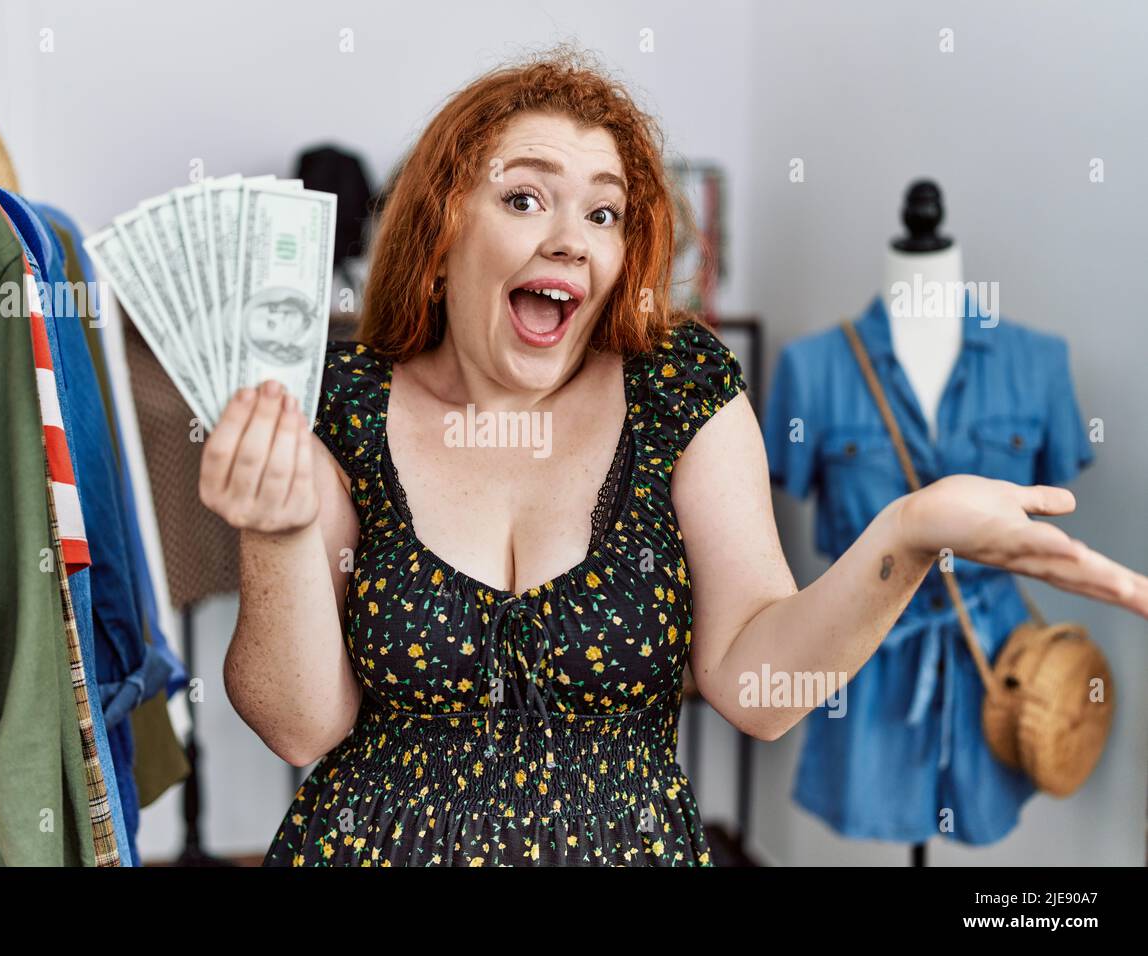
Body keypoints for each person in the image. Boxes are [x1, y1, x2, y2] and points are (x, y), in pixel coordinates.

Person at [197, 47, 1148, 866]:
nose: (570, 239)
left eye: (603, 215)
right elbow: (299, 722)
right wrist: (274, 535)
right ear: (441, 236)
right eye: (525, 197)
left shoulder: (678, 388)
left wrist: (910, 531)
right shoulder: (341, 394)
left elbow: (757, 690)